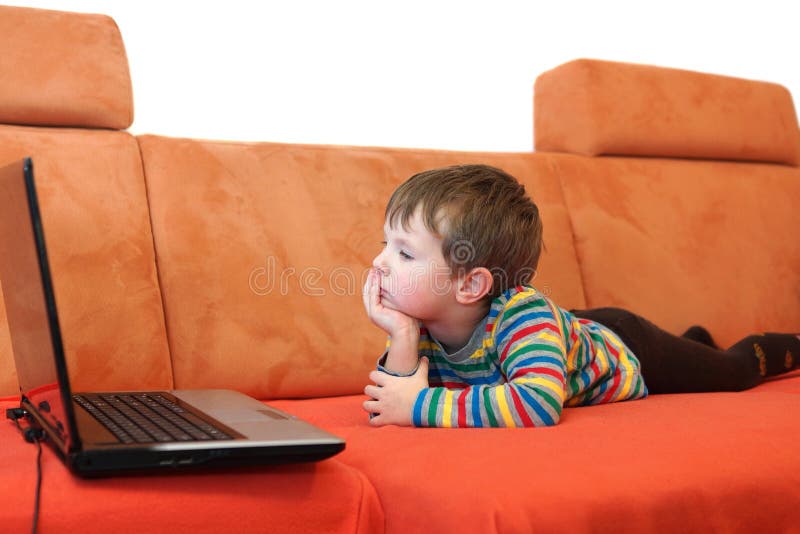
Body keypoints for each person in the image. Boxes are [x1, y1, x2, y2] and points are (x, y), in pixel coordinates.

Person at [361, 164, 800, 427]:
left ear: (471, 285)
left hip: (628, 345)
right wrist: (400, 337)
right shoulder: (416, 320)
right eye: (385, 244)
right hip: (564, 336)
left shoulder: (523, 317)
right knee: (694, 354)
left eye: (403, 253)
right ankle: (694, 339)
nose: (379, 262)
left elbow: (536, 403)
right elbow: (389, 409)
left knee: (733, 372)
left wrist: (421, 405)